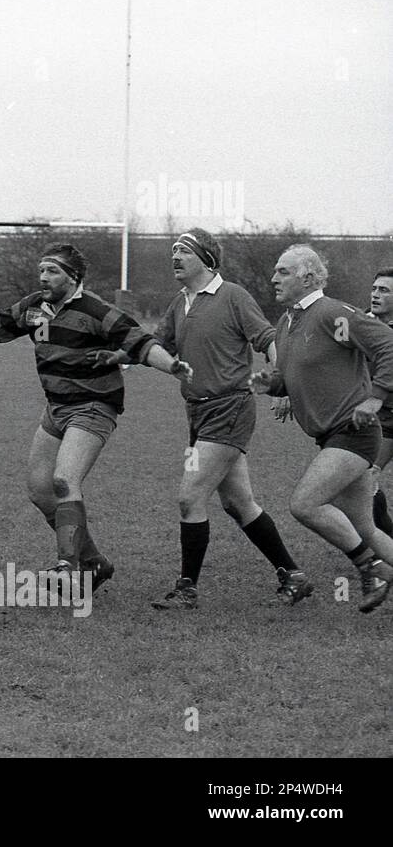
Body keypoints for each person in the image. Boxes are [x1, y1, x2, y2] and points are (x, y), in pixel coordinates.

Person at [0, 243, 191, 589]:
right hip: (56, 408)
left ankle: (67, 565)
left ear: (73, 277)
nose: (43, 277)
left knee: (64, 480)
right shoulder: (35, 308)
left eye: (52, 271)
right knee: (40, 491)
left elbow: (140, 343)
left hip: (94, 405)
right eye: (41, 270)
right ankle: (94, 562)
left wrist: (171, 366)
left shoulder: (96, 311)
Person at [109, 229, 312, 609]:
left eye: (183, 250)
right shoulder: (179, 303)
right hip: (198, 413)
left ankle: (186, 589)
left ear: (206, 258)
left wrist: (280, 382)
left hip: (229, 409)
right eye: (172, 250)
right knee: (239, 504)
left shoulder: (233, 295)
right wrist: (113, 357)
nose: (175, 257)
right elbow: (156, 346)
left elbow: (267, 339)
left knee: (190, 497)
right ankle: (293, 574)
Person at [249, 245, 393, 613]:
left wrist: (376, 397)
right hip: (329, 436)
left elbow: (389, 345)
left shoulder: (333, 313)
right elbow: (294, 375)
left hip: (354, 432)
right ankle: (373, 562)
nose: (273, 278)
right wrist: (273, 383)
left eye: (283, 271)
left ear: (308, 277)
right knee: (366, 530)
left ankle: (370, 570)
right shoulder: (287, 322)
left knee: (305, 504)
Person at [366, 267, 393, 536]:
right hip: (383, 420)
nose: (375, 294)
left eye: (383, 290)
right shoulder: (361, 326)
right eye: (374, 289)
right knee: (366, 477)